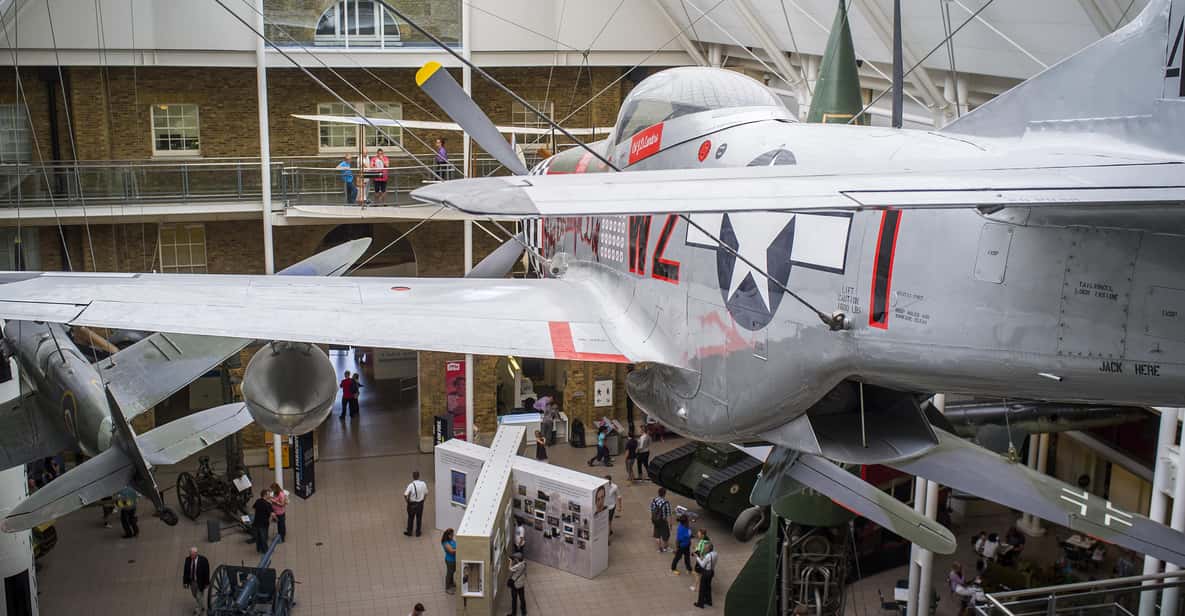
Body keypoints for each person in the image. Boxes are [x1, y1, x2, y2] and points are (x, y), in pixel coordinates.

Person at [182, 546, 210, 615]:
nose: (191, 556)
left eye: (192, 554)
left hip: (201, 582)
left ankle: (198, 610)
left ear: (196, 553)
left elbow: (207, 572)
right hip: (192, 582)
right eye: (190, 554)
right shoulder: (187, 560)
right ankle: (202, 606)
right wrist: (185, 582)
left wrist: (207, 583)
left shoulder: (203, 560)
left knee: (199, 596)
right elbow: (186, 571)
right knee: (194, 595)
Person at [404, 471, 428, 536]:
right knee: (419, 518)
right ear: (419, 476)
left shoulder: (411, 485)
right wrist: (423, 500)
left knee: (410, 518)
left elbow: (405, 494)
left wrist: (408, 502)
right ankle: (418, 532)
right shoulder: (423, 484)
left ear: (413, 476)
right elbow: (426, 493)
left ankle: (409, 532)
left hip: (412, 504)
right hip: (420, 504)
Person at [694, 542, 717, 608]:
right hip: (712, 571)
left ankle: (700, 604)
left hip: (706, 572)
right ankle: (709, 601)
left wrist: (697, 557)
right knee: (708, 587)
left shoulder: (708, 556)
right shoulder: (715, 553)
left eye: (705, 548)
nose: (704, 548)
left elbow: (702, 565)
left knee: (702, 588)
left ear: (708, 549)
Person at [650, 487, 672, 552]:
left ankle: (660, 548)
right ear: (664, 494)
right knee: (666, 535)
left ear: (658, 493)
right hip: (663, 521)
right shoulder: (666, 503)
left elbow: (651, 509)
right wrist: (670, 524)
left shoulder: (654, 500)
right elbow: (669, 514)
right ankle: (666, 547)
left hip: (655, 520)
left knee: (657, 535)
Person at [252, 489, 273, 553]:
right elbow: (272, 514)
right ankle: (265, 550)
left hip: (256, 522)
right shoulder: (268, 504)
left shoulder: (258, 501)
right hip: (264, 524)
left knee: (258, 537)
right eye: (268, 494)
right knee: (264, 537)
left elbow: (254, 508)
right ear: (265, 495)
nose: (270, 495)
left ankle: (259, 549)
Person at [441, 529, 457, 594]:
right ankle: (447, 588)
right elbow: (451, 551)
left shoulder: (451, 540)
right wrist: (460, 548)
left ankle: (451, 583)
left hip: (454, 560)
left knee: (452, 572)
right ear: (448, 535)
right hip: (450, 560)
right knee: (449, 573)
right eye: (452, 535)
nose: (453, 535)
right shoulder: (445, 543)